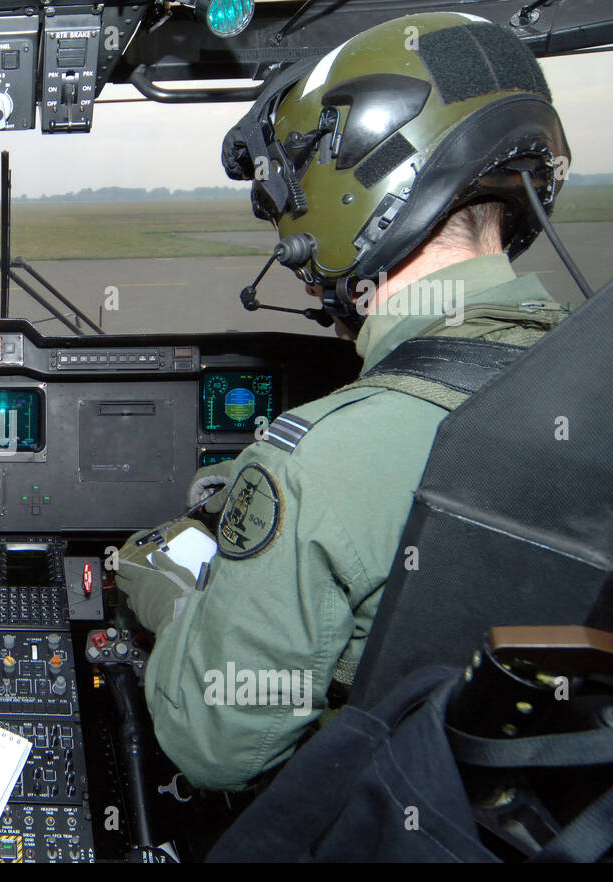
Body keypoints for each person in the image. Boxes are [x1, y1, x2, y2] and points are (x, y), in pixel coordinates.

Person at [115, 12, 572, 791]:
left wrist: (174, 595)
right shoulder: (587, 382)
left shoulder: (317, 463)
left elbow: (215, 744)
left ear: (342, 195)